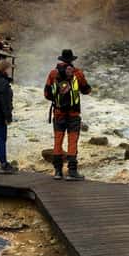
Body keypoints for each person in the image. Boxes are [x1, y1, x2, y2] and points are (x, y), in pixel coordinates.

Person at [44, 49, 91, 181]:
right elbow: (87, 90)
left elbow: (47, 94)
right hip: (73, 113)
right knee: (72, 141)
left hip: (58, 113)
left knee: (58, 141)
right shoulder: (77, 73)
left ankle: (58, 171)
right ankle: (72, 171)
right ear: (72, 60)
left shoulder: (53, 73)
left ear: (61, 59)